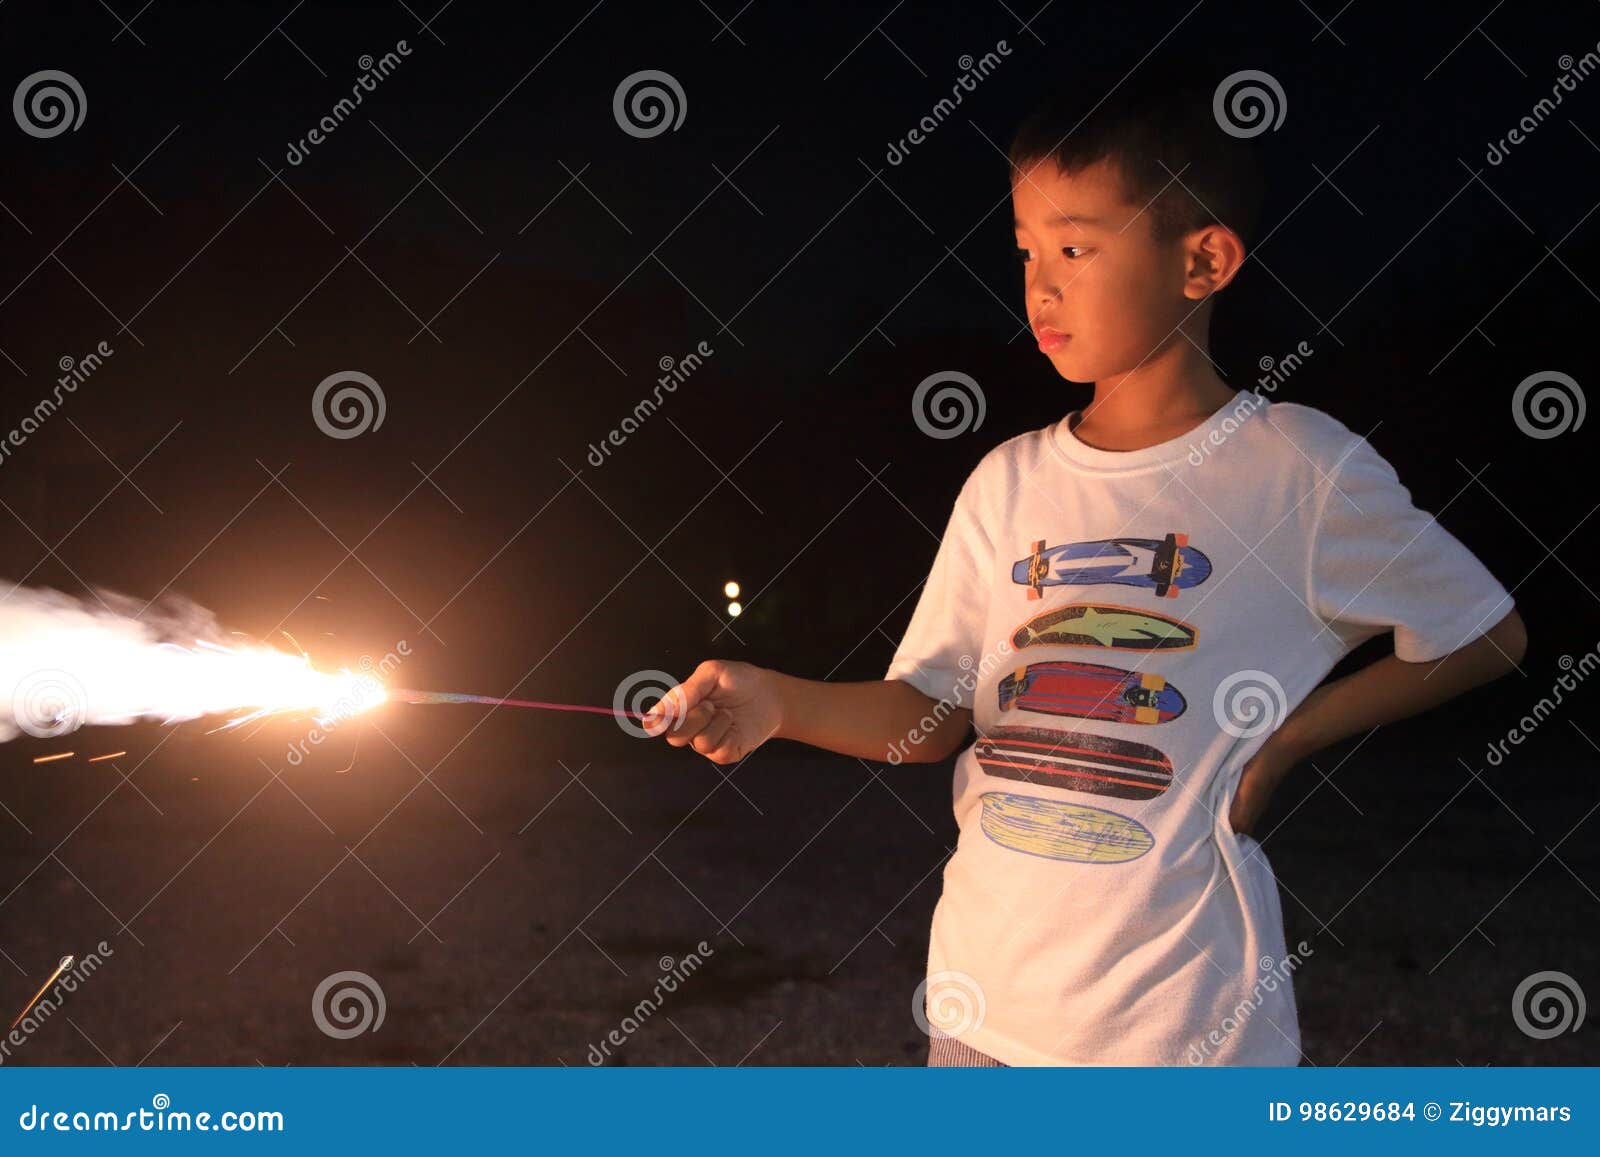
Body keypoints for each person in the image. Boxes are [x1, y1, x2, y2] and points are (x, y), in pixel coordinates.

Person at [641, 74, 1527, 1066]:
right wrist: (773, 699)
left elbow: (1483, 630)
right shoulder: (1007, 480)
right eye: (1025, 250)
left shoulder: (1298, 471)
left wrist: (1281, 740)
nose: (1040, 286)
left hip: (1180, 1032)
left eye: (1075, 247)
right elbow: (932, 710)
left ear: (1202, 260)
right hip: (983, 1012)